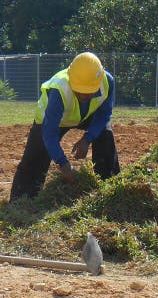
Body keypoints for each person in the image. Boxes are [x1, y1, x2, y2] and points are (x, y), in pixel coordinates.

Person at [9, 51, 120, 201]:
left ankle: (109, 188)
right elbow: (49, 133)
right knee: (35, 157)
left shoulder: (107, 82)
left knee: (105, 135)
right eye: (79, 90)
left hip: (87, 114)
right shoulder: (59, 90)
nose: (84, 96)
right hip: (51, 119)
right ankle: (23, 200)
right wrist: (63, 164)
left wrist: (87, 139)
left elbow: (104, 115)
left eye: (88, 91)